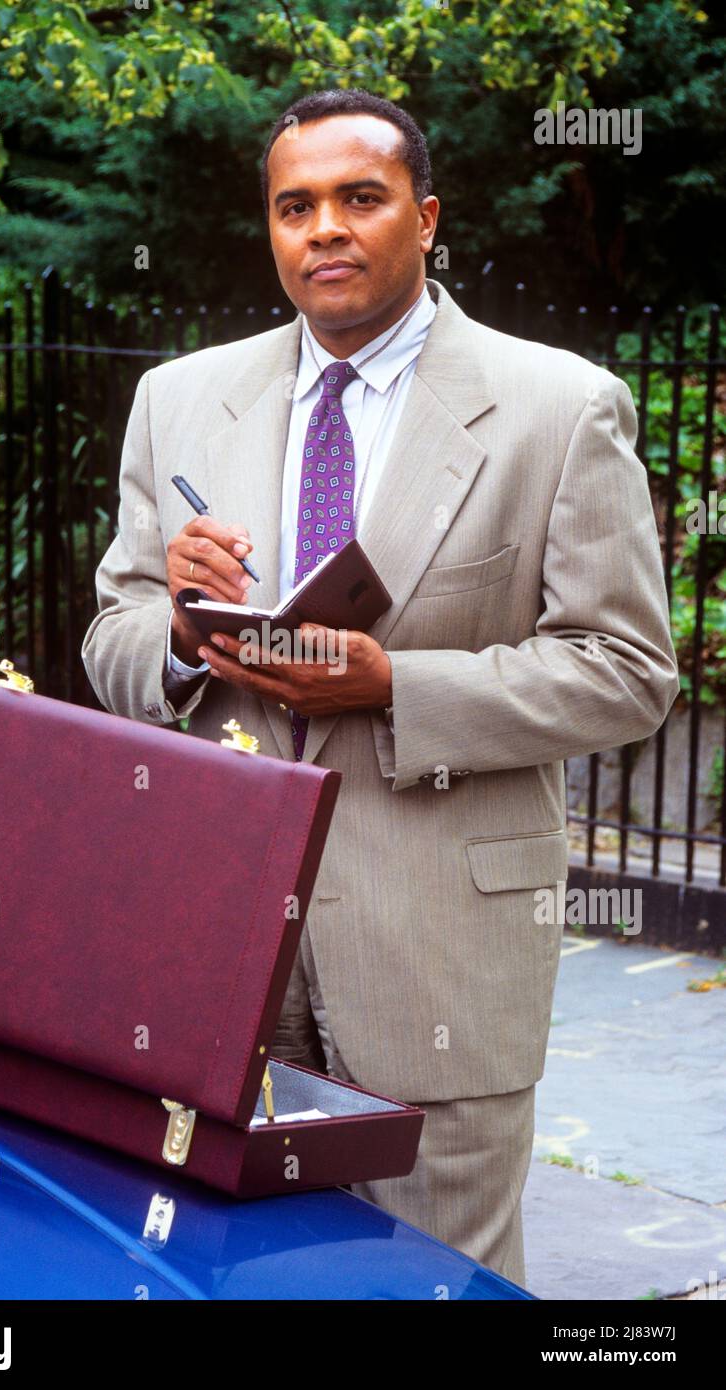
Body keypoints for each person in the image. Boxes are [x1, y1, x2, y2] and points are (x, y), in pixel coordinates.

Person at [81, 87, 679, 1288]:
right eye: (294, 207)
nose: (324, 230)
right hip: (220, 947)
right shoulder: (179, 398)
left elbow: (624, 672)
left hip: (438, 961)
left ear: (425, 216)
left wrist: (393, 685)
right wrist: (189, 640)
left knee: (436, 1283)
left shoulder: (559, 409)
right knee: (234, 1276)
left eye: (360, 198)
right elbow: (114, 639)